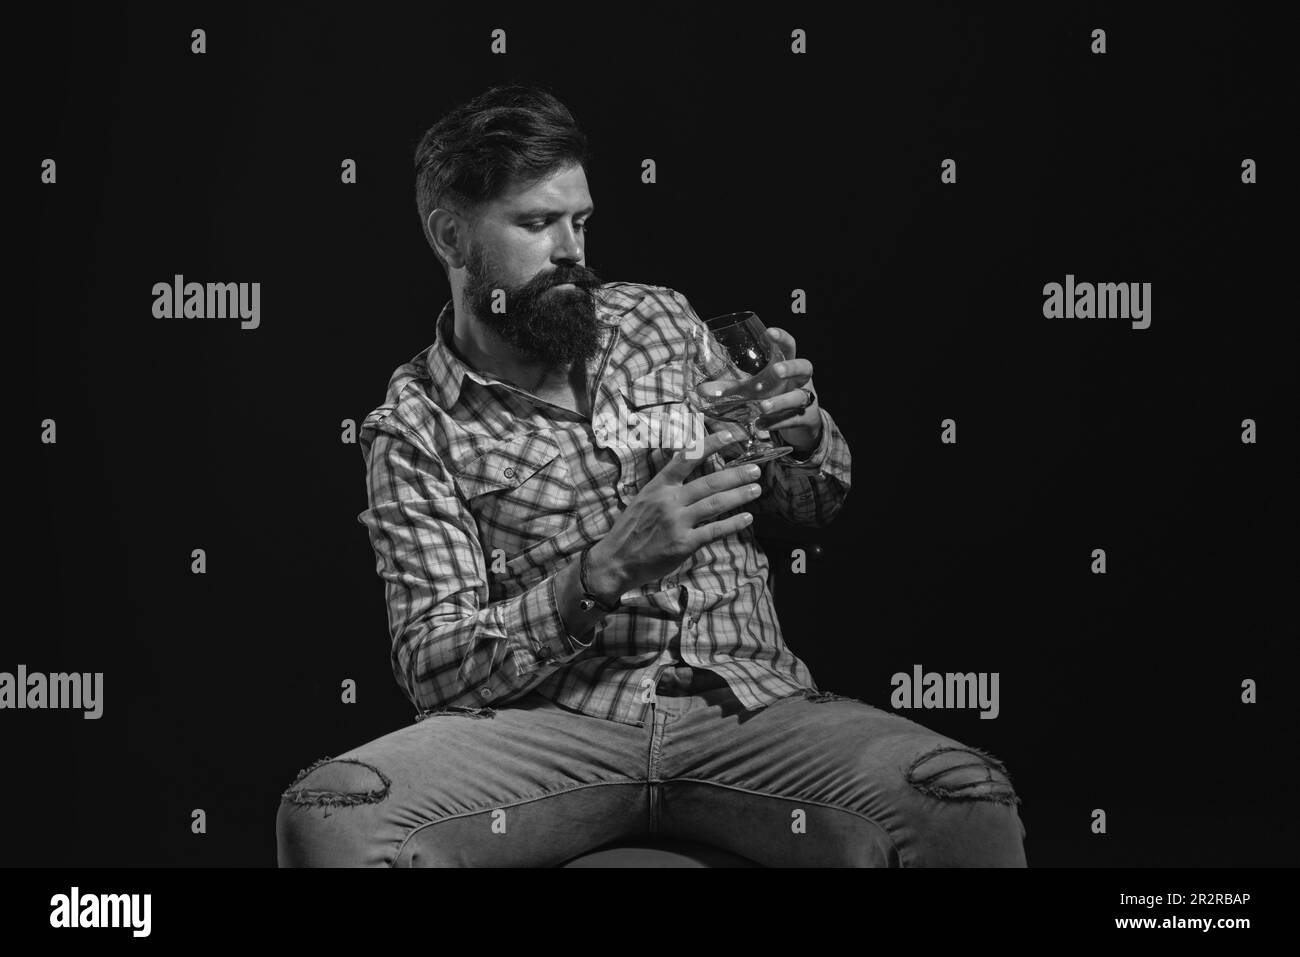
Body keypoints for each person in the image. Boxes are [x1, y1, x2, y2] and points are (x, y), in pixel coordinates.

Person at [275, 84, 1027, 867]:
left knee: (963, 799)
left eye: (581, 220)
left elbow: (813, 503)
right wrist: (599, 574)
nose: (571, 249)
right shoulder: (414, 425)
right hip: (552, 728)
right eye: (536, 223)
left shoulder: (662, 320)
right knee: (333, 814)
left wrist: (802, 436)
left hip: (748, 708)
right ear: (450, 236)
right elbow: (434, 668)